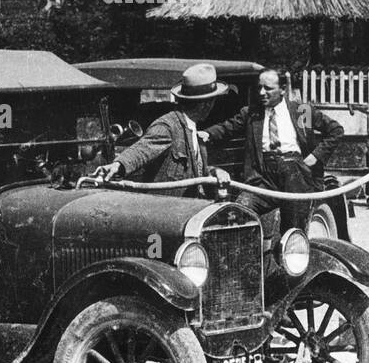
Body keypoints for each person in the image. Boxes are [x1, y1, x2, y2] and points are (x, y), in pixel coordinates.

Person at [201, 68, 343, 239]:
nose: (262, 93)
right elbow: (228, 127)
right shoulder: (252, 113)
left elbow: (335, 130)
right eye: (259, 88)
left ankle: (292, 260)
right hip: (263, 178)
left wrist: (316, 156)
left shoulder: (301, 111)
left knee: (293, 228)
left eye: (268, 88)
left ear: (282, 89)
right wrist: (207, 134)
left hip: (295, 175)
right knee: (241, 211)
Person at [92, 63, 230, 196]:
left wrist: (215, 172)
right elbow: (142, 149)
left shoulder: (194, 131)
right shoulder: (168, 127)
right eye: (213, 101)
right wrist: (119, 165)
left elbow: (197, 171)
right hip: (170, 212)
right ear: (206, 105)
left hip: (189, 209)